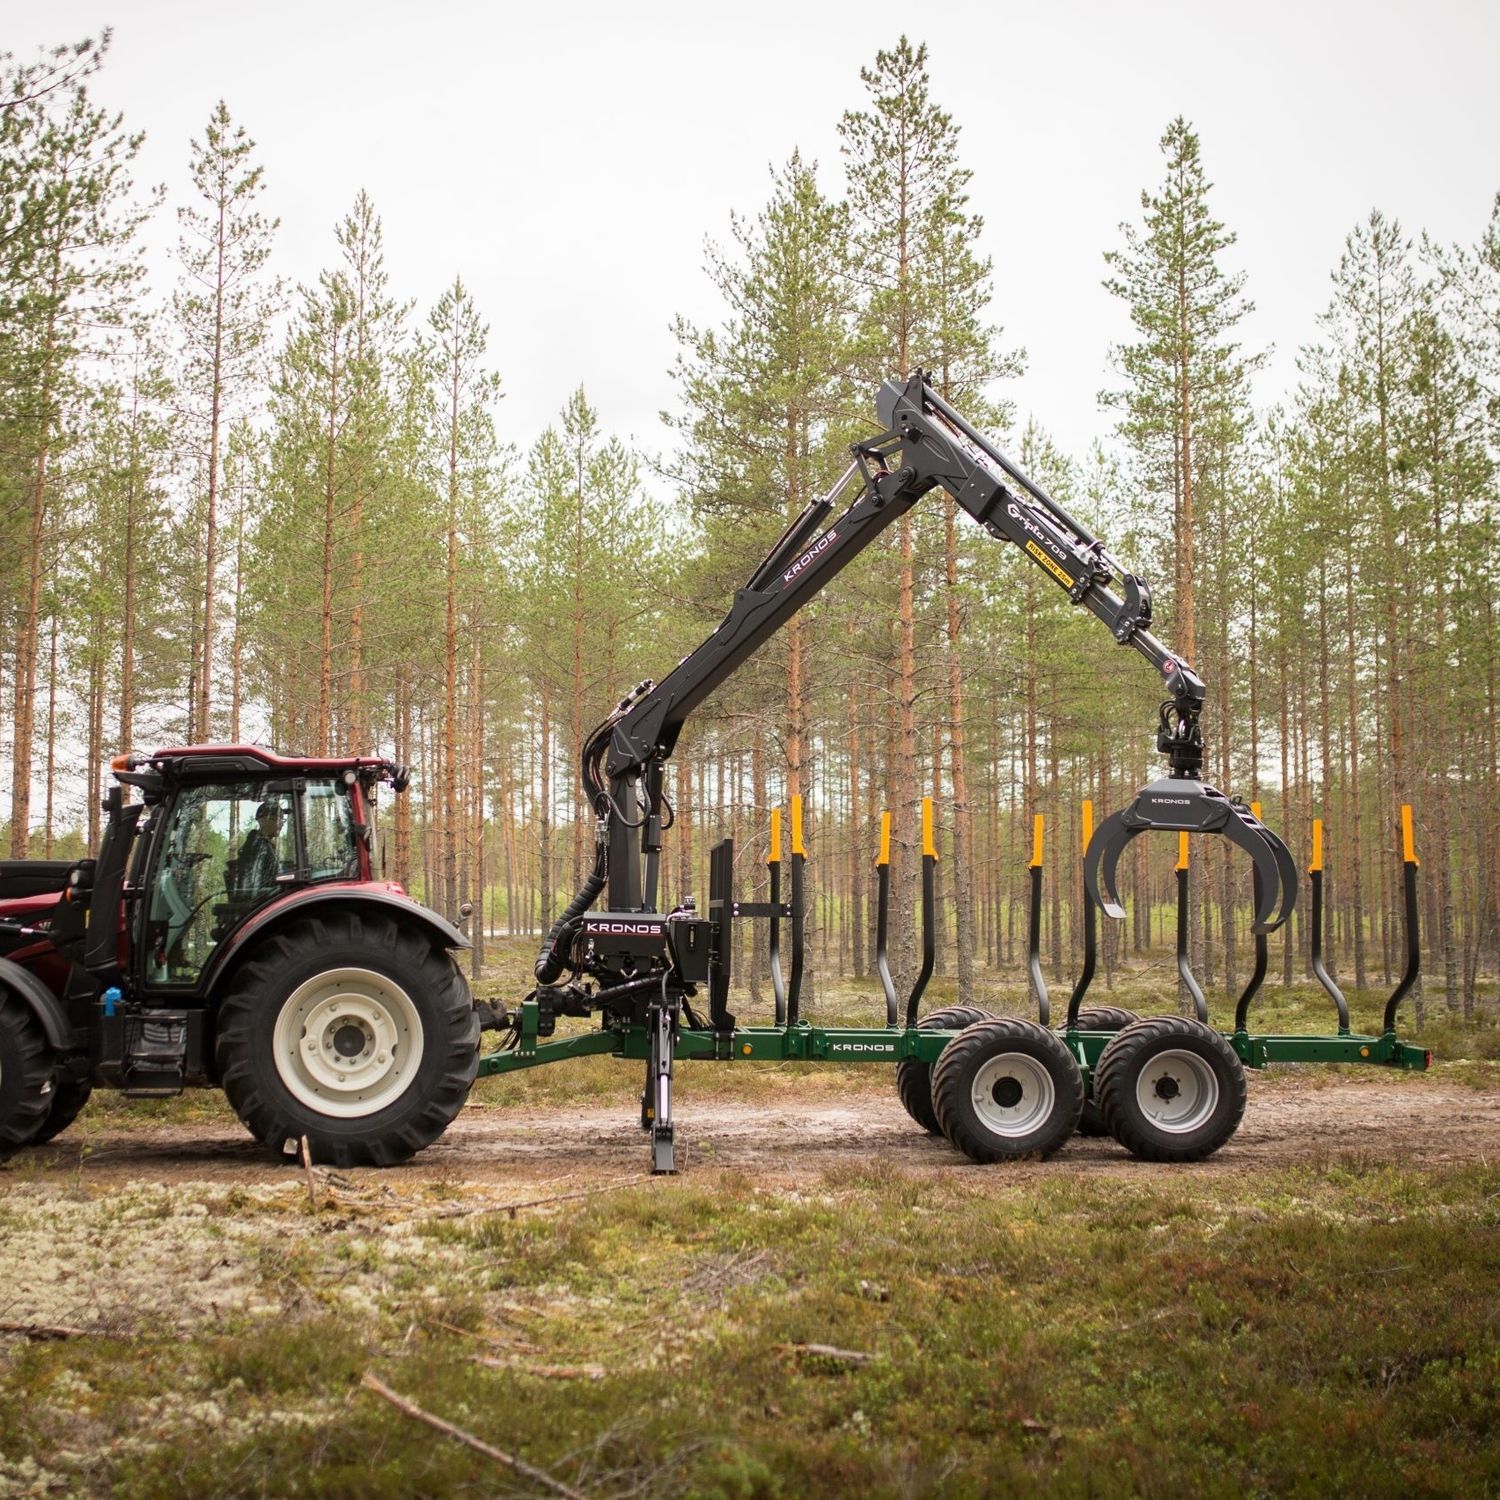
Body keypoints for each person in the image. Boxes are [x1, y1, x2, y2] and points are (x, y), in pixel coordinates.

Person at [232, 801, 285, 895]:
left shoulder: (261, 845)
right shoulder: (258, 848)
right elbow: (253, 887)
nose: (282, 824)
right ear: (262, 821)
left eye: (283, 820)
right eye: (277, 819)